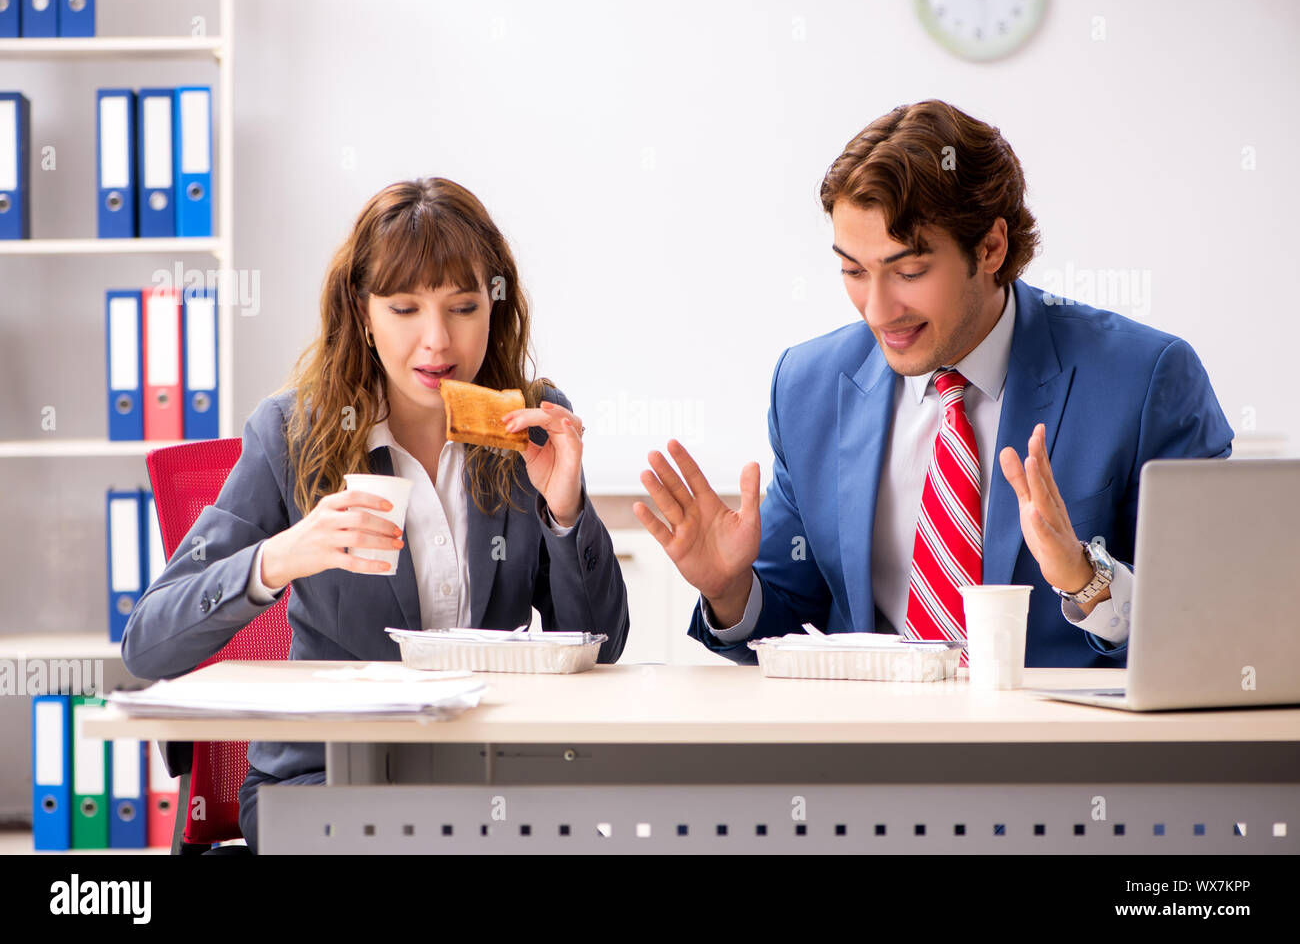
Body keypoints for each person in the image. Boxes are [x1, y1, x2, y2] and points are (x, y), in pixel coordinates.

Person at [122, 177, 630, 852]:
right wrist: (280, 557)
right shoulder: (291, 433)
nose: (437, 340)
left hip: (486, 782)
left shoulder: (527, 426)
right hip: (324, 788)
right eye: (403, 308)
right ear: (363, 314)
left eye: (464, 306)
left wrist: (563, 511)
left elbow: (601, 640)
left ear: (494, 309)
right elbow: (148, 642)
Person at [634, 99, 1232, 667]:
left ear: (991, 246)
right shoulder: (809, 386)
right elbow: (791, 619)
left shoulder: (1145, 378)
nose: (877, 309)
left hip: (1064, 758)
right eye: (852, 271)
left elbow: (1209, 626)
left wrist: (1085, 578)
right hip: (870, 756)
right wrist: (730, 589)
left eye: (910, 271)